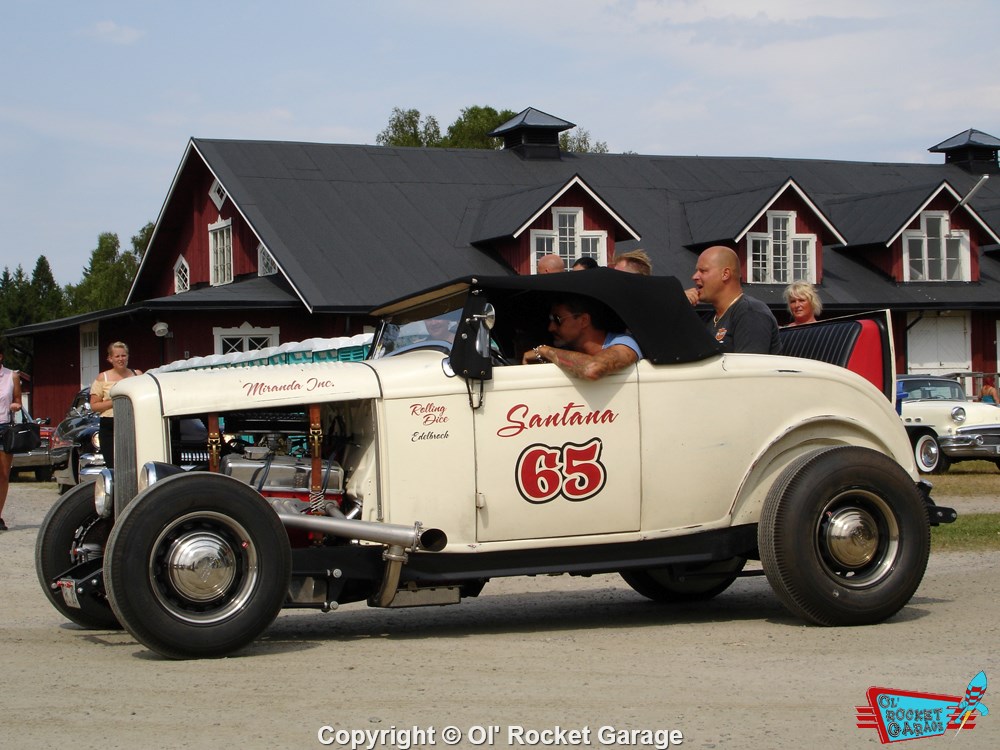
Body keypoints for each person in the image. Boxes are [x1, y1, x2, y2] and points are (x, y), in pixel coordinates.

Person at [686, 245, 781, 354]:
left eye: (703, 271)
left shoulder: (750, 313)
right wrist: (679, 304)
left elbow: (748, 364)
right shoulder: (708, 319)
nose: (694, 276)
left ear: (725, 274)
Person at [521, 294, 641, 380]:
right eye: (550, 320)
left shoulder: (625, 343)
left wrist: (545, 351)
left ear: (583, 320)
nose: (551, 328)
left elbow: (592, 369)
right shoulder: (566, 350)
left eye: (557, 320)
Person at [90, 342, 142, 469]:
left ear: (128, 356)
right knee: (113, 465)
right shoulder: (103, 378)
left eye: (123, 355)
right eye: (117, 356)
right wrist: (116, 402)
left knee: (134, 462)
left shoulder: (138, 375)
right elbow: (94, 406)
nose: (121, 359)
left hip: (133, 423)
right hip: (110, 425)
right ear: (110, 358)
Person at [0, 344, 23, 531]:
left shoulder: (12, 376)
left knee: (3, 475)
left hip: (4, 428)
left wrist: (16, 405)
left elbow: (17, 400)